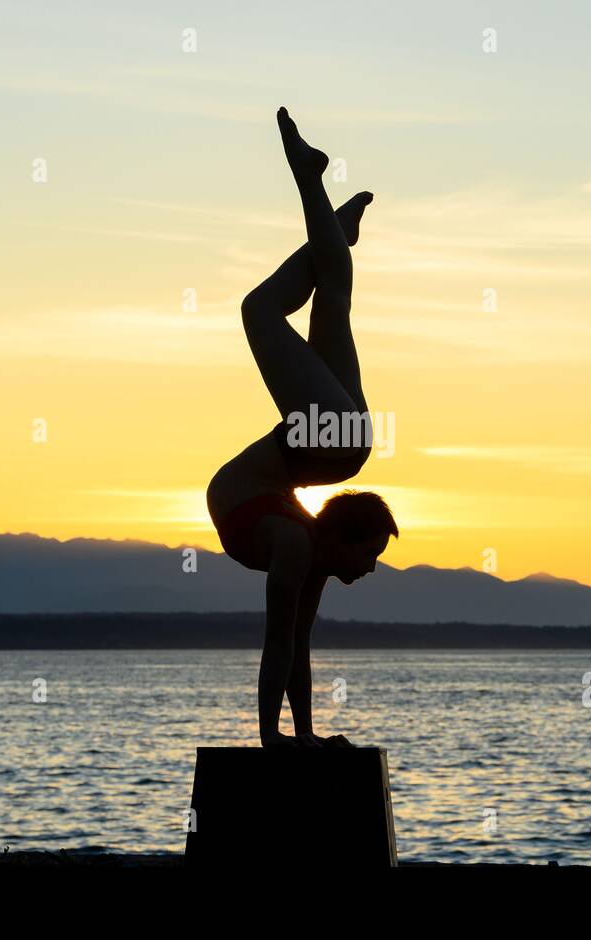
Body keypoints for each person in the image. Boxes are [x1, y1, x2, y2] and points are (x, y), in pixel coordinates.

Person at [207, 108, 398, 749]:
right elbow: (277, 641)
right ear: (341, 538)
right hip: (330, 439)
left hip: (339, 442)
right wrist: (274, 743)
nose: (372, 570)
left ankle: (327, 218)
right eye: (370, 553)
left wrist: (305, 738)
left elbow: (295, 646)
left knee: (332, 304)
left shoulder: (303, 551)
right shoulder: (296, 545)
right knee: (259, 311)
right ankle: (316, 201)